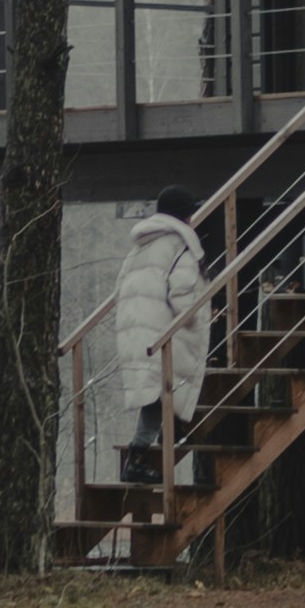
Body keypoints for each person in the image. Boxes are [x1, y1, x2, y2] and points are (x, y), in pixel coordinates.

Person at [113, 186, 207, 478]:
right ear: (186, 216)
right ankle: (138, 458)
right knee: (161, 393)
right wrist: (196, 318)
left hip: (135, 330)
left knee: (159, 391)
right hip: (161, 330)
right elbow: (182, 294)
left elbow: (119, 288)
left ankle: (170, 434)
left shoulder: (142, 244)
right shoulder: (180, 245)